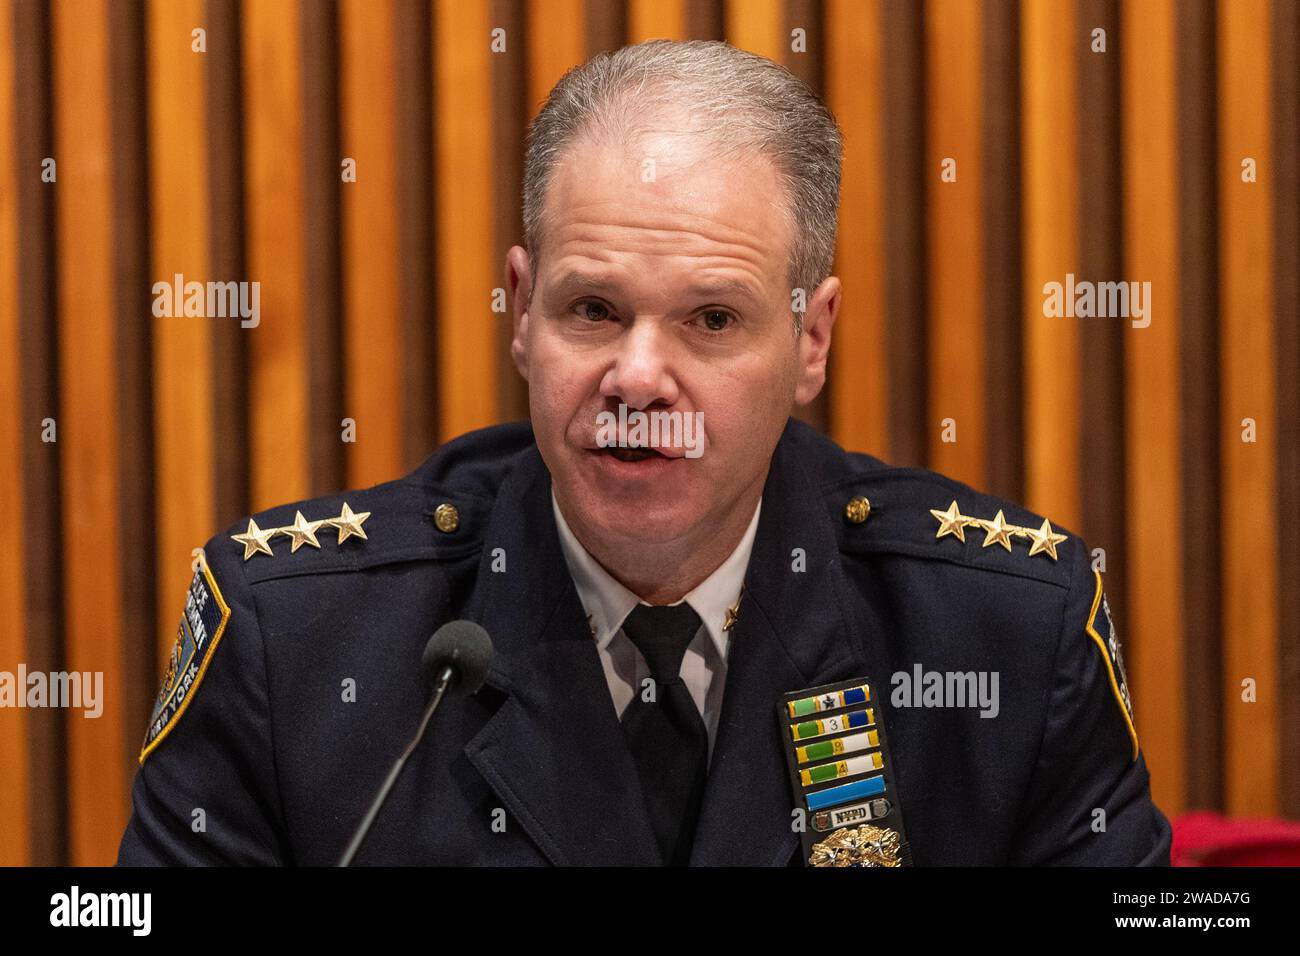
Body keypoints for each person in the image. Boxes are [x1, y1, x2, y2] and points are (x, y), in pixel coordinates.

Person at [118, 39, 1171, 866]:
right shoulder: (298, 640)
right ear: (522, 311)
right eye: (593, 309)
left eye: (712, 319)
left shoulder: (1004, 634)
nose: (637, 377)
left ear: (810, 340)